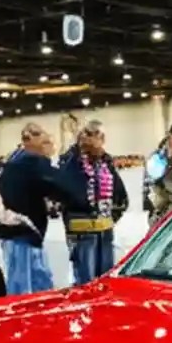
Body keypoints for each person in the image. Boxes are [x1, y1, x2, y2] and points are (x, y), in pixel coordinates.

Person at [0, 122, 87, 295]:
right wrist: (82, 200)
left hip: (22, 233)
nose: (50, 147)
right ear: (31, 141)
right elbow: (60, 186)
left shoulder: (14, 163)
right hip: (23, 233)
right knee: (23, 289)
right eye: (46, 143)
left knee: (38, 281)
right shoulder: (32, 164)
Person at [60, 120, 128, 285]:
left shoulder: (106, 162)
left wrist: (112, 216)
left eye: (100, 137)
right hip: (82, 230)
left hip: (105, 230)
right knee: (86, 281)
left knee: (105, 280)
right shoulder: (71, 162)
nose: (99, 141)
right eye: (93, 136)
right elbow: (66, 194)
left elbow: (120, 195)